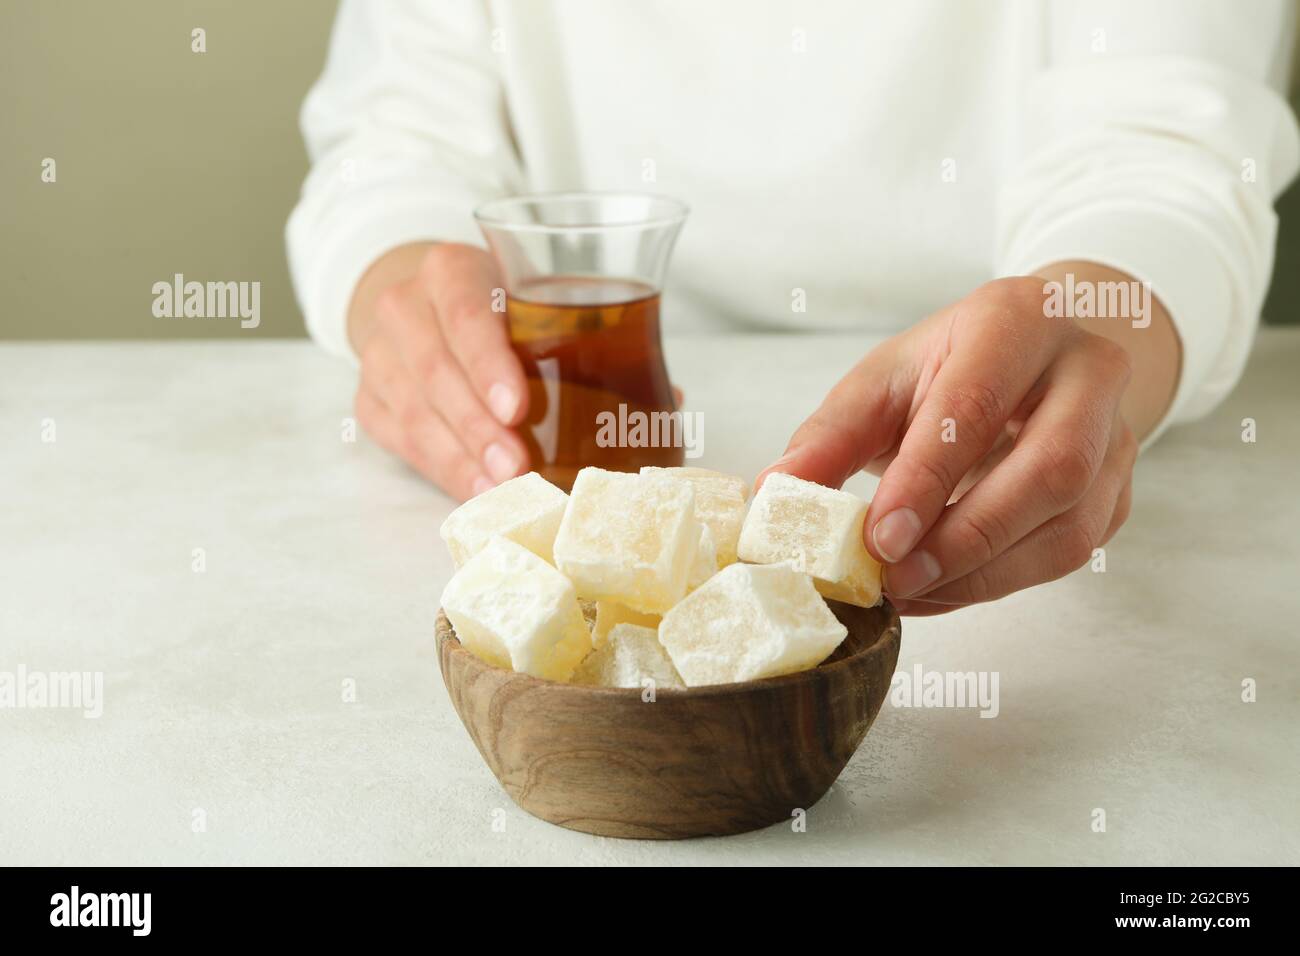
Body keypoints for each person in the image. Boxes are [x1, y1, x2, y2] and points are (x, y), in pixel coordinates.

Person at [286, 1, 1298, 615]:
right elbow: (395, 139)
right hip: (588, 425)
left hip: (986, 421)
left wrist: (1087, 326)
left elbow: (1166, 152)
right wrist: (399, 280)